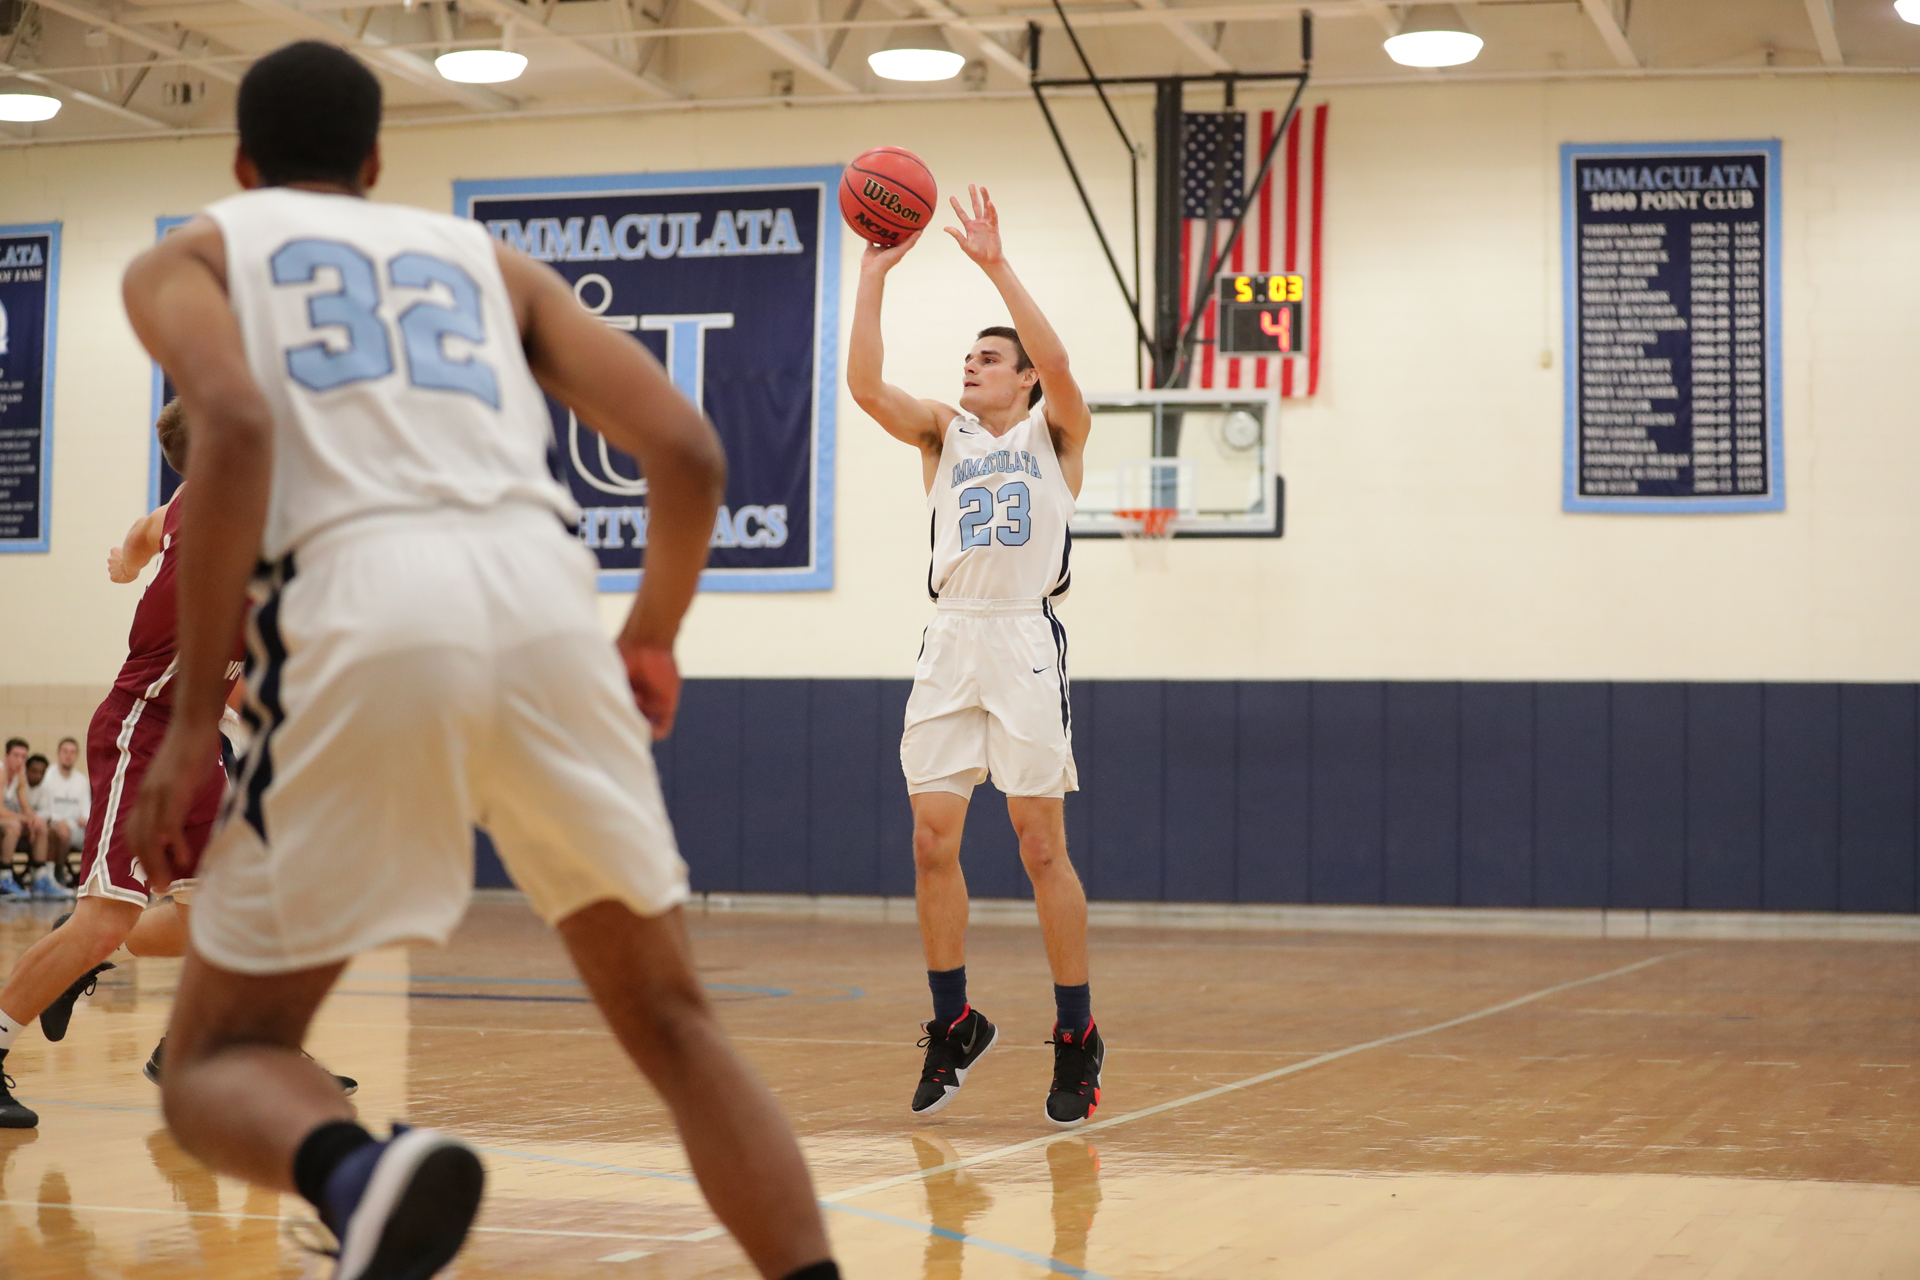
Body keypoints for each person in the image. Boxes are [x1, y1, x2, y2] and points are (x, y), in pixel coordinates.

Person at [118, 41, 836, 1280]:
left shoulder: (196, 254)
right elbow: (692, 452)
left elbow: (230, 425)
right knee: (675, 1021)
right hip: (549, 598)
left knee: (215, 1062)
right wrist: (650, 637)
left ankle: (358, 1173)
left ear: (238, 163)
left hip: (363, 609)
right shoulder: (485, 262)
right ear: (378, 161)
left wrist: (190, 729)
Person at [847, 185, 1105, 1127]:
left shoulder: (1057, 430)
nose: (971, 367)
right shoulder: (941, 434)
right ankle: (954, 1019)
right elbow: (865, 389)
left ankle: (1077, 1035)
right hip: (949, 636)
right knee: (930, 840)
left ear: (1024, 377)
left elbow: (1065, 358)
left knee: (1040, 846)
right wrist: (872, 276)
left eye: (989, 358)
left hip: (1023, 637)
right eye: (967, 357)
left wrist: (996, 263)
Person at [0, 402, 261, 1131]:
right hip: (141, 734)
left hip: (196, 738)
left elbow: (149, 531)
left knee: (207, 922)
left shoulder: (192, 510)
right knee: (106, 917)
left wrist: (126, 562)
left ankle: (93, 971)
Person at [0, 739, 66, 901]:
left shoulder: (19, 774)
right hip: (5, 820)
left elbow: (25, 806)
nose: (20, 760)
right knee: (14, 826)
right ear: (6, 756)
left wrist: (32, 818)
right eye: (16, 755)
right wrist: (24, 818)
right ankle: (4, 877)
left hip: (6, 819)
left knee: (40, 825)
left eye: (23, 757)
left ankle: (40, 879)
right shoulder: (1, 772)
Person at [33, 740, 89, 870]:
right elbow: (42, 808)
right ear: (58, 753)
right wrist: (57, 820)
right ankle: (58, 871)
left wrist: (84, 818)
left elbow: (87, 810)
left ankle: (87, 876)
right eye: (65, 751)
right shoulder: (47, 776)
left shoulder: (81, 780)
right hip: (52, 824)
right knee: (62, 833)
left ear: (77, 756)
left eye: (72, 752)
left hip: (76, 828)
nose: (68, 756)